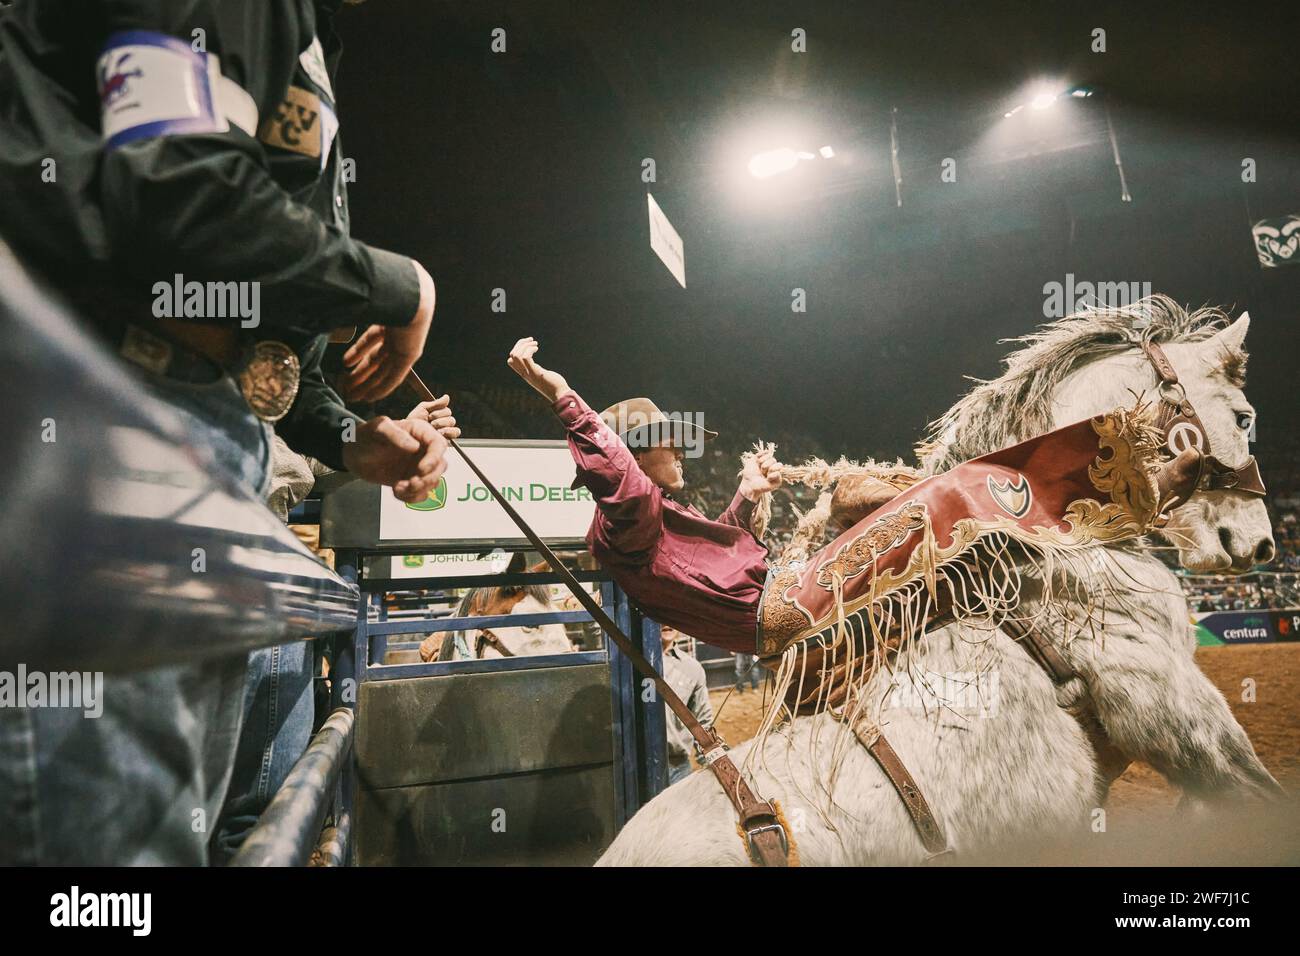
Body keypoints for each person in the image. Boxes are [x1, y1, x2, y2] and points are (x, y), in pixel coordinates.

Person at [0, 1, 451, 864]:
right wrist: (402, 287)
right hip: (102, 394)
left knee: (181, 838)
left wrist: (351, 439)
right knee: (113, 861)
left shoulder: (308, 36)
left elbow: (261, 323)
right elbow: (182, 190)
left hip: (196, 418)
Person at [506, 336, 1205, 661]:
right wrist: (562, 395)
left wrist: (746, 498)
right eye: (666, 442)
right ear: (636, 454)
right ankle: (1126, 484)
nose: (681, 451)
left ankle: (1102, 496)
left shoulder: (645, 527)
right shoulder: (625, 514)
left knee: (890, 496)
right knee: (946, 495)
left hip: (775, 601)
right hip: (778, 605)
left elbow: (705, 561)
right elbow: (622, 481)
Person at [660, 626, 714, 785]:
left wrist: (709, 760)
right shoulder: (627, 661)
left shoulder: (692, 668)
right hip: (638, 765)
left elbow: (703, 720)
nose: (666, 623)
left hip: (678, 766)